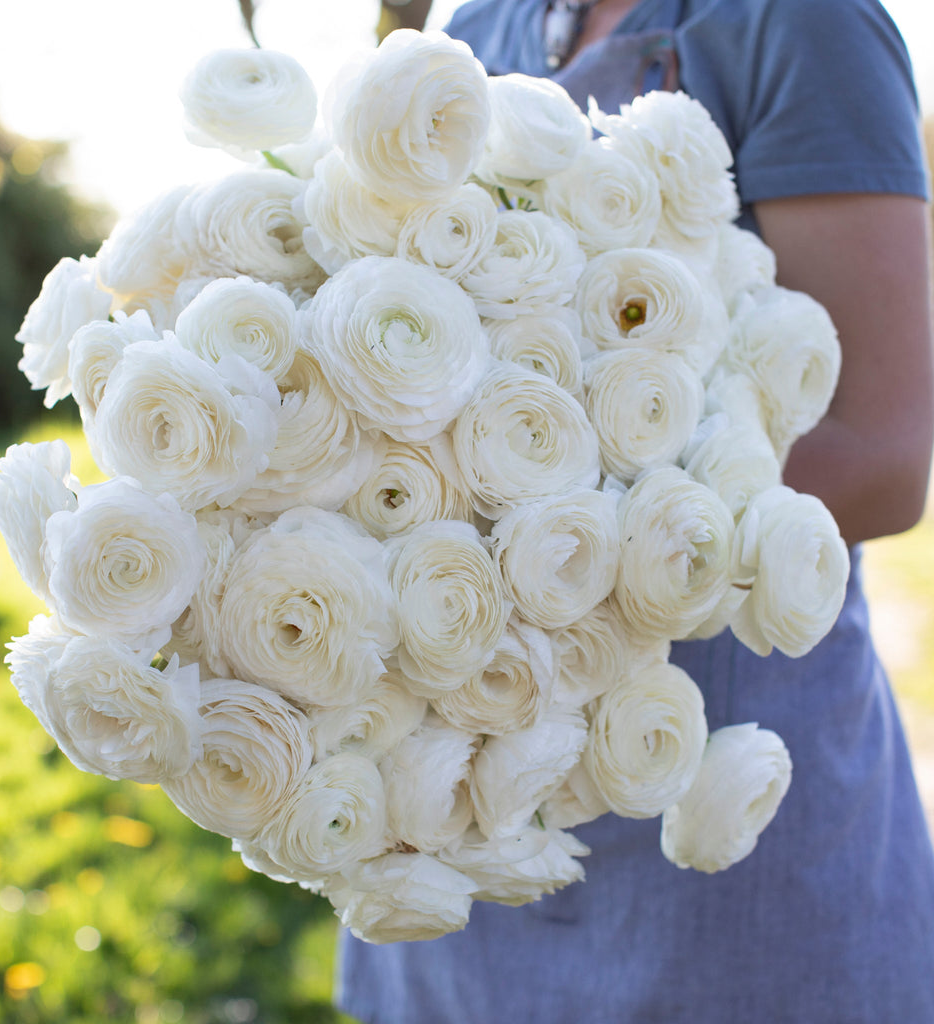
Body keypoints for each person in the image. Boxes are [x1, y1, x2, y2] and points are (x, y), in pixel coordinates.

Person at [336, 1, 934, 1021]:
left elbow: (881, 454)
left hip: (720, 800)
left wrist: (546, 557)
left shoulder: (801, 22)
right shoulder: (479, 26)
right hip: (461, 790)